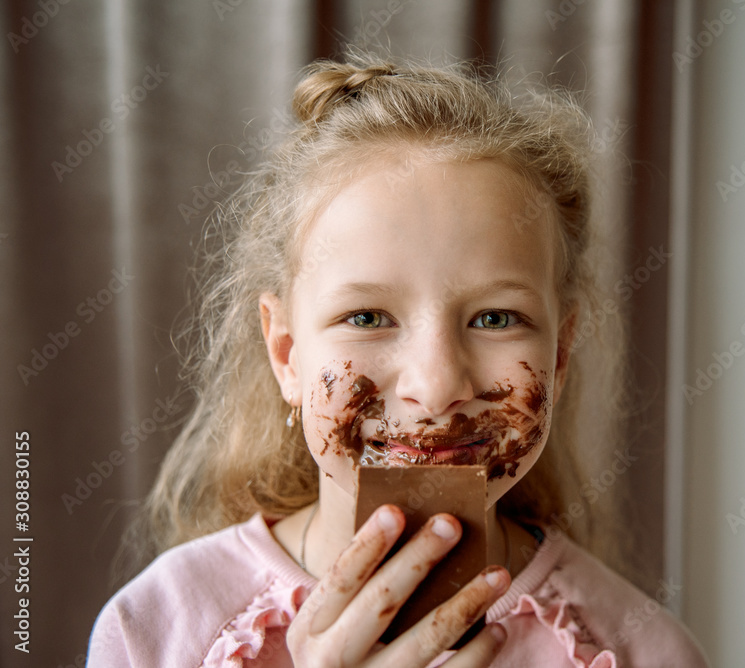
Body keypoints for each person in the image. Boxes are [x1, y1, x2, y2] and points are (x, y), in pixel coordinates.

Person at [88, 53, 709, 668]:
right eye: (366, 318)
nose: (437, 388)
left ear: (560, 354)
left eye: (494, 319)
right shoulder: (153, 633)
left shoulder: (642, 650)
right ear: (287, 354)